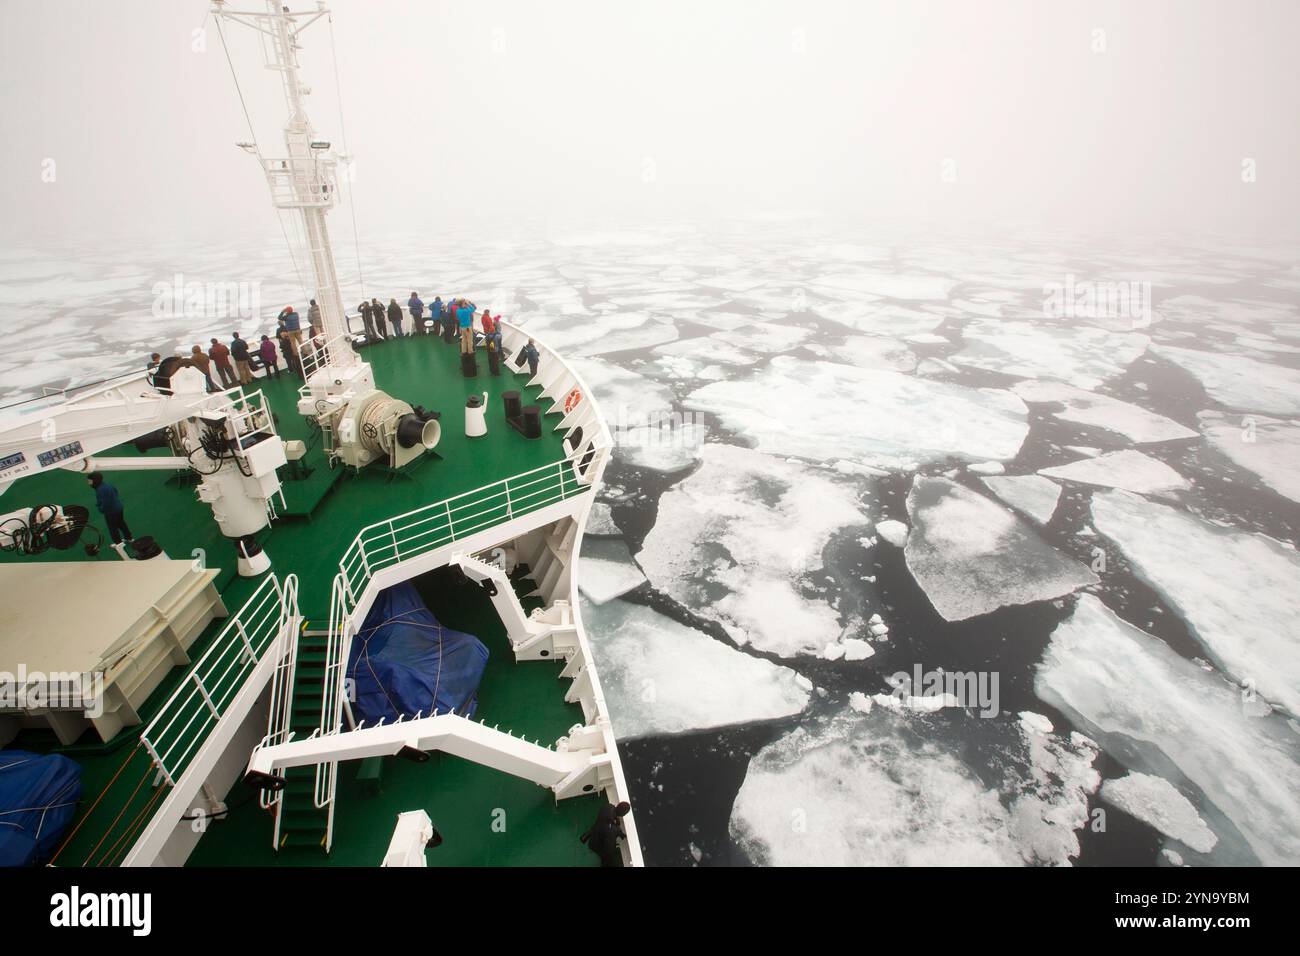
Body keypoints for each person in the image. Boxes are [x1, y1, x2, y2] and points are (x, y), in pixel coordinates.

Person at [579, 801, 630, 867]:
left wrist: (616, 826)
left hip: (595, 831)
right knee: (608, 858)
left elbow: (609, 819)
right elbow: (609, 850)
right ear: (623, 815)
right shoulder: (612, 830)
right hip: (595, 845)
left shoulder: (608, 807)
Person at [88, 472, 132, 546]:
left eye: (90, 481)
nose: (89, 483)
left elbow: (106, 503)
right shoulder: (107, 485)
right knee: (121, 523)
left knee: (112, 528)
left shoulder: (101, 489)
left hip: (111, 512)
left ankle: (119, 543)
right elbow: (116, 491)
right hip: (118, 507)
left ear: (95, 481)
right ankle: (129, 538)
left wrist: (101, 508)